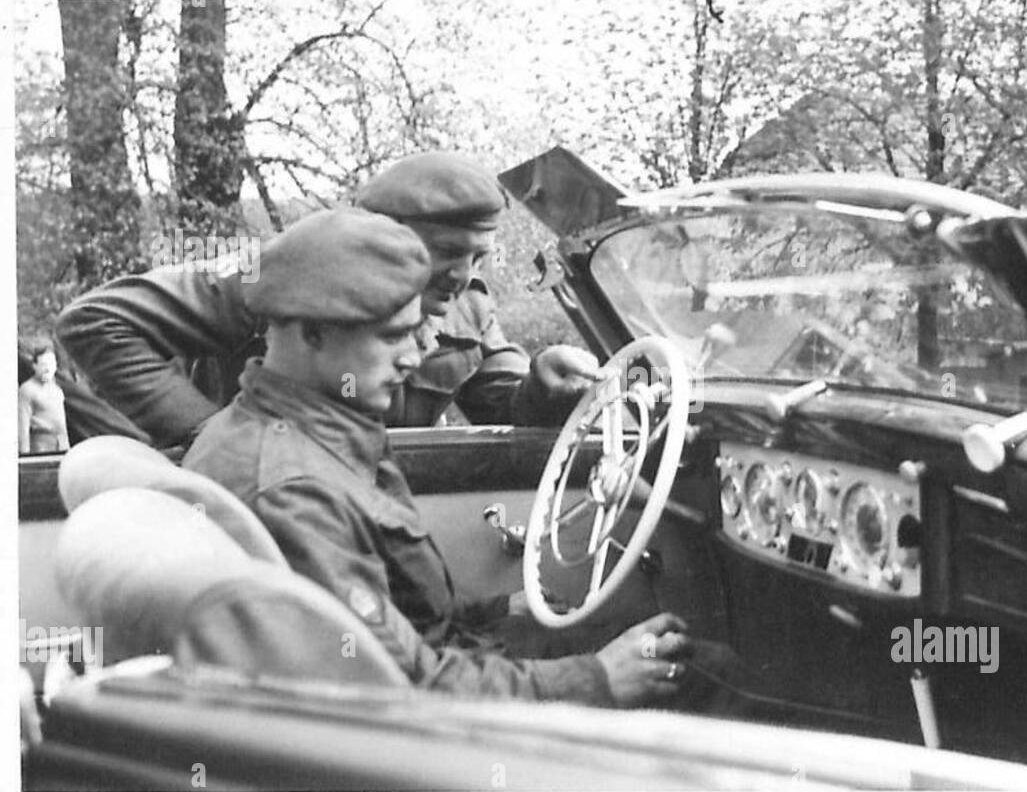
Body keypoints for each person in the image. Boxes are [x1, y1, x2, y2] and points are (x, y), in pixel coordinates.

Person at [183, 207, 701, 707]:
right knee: (705, 674)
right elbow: (397, 685)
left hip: (448, 668)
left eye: (417, 329)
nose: (415, 355)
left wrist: (495, 613)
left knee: (689, 655)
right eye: (393, 337)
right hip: (429, 727)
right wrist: (596, 679)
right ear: (310, 333)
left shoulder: (320, 427)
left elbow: (403, 621)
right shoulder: (293, 488)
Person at [56, 151, 599, 449]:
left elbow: (503, 408)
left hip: (369, 512)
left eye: (478, 257)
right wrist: (207, 435)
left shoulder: (467, 305)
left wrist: (542, 385)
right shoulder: (286, 273)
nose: (462, 276)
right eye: (447, 252)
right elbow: (96, 321)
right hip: (255, 508)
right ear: (374, 233)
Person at [18, 344, 69, 454]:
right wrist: (25, 454)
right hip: (39, 445)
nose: (47, 369)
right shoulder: (27, 389)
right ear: (34, 366)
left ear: (55, 366)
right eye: (43, 365)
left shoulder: (57, 390)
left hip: (59, 444)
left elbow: (62, 424)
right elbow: (23, 425)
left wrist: (66, 449)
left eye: (51, 364)